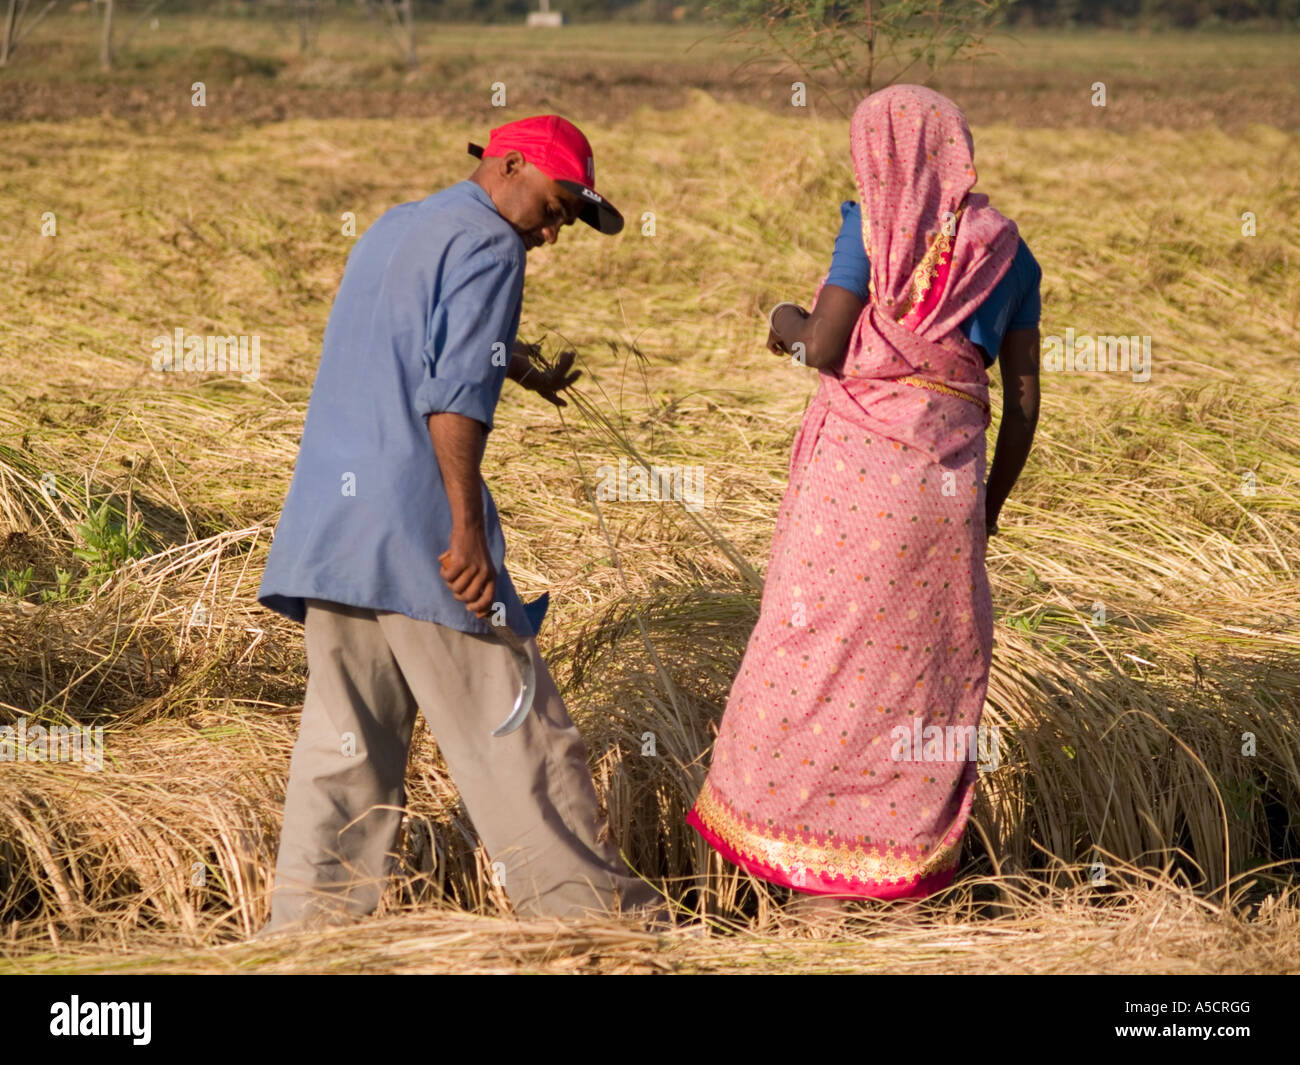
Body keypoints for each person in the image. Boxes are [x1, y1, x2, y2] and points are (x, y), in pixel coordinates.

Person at [255, 115, 666, 933]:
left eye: (566, 222)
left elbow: (415, 338)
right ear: (509, 164)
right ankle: (598, 931)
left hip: (334, 535)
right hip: (419, 538)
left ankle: (305, 938)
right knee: (518, 730)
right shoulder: (493, 247)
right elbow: (451, 399)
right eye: (554, 206)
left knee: (345, 749)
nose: (551, 233)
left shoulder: (398, 225)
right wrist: (465, 529)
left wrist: (515, 361)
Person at [687, 84, 1042, 913]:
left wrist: (784, 316)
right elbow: (1022, 406)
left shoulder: (872, 227)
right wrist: (985, 510)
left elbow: (826, 347)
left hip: (854, 488)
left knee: (813, 658)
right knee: (917, 677)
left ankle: (806, 866)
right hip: (943, 496)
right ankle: (881, 874)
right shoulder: (1009, 253)